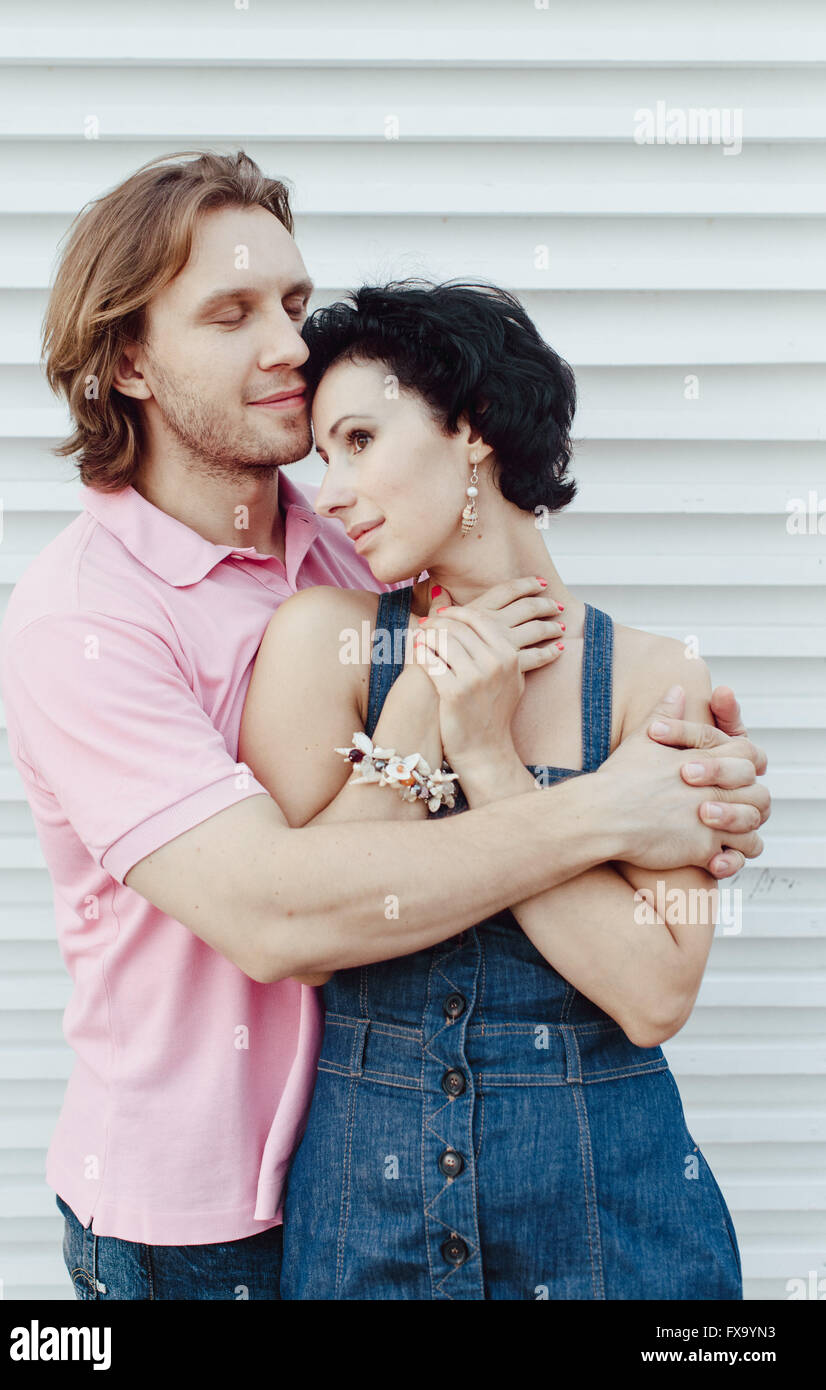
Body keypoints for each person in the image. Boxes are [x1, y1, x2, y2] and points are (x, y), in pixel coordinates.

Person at [0, 151, 768, 1301]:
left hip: (380, 1176)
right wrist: (605, 810)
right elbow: (280, 912)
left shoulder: (353, 543)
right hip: (191, 1211)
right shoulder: (84, 615)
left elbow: (517, 604)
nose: (288, 347)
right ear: (129, 360)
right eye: (232, 313)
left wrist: (708, 781)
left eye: (295, 306)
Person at [239, 280, 749, 1299]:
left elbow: (651, 996)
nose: (329, 492)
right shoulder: (321, 646)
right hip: (365, 1222)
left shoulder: (653, 677)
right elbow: (314, 915)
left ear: (469, 428)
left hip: (612, 1223)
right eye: (321, 457)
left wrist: (485, 753)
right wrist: (424, 699)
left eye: (358, 439)